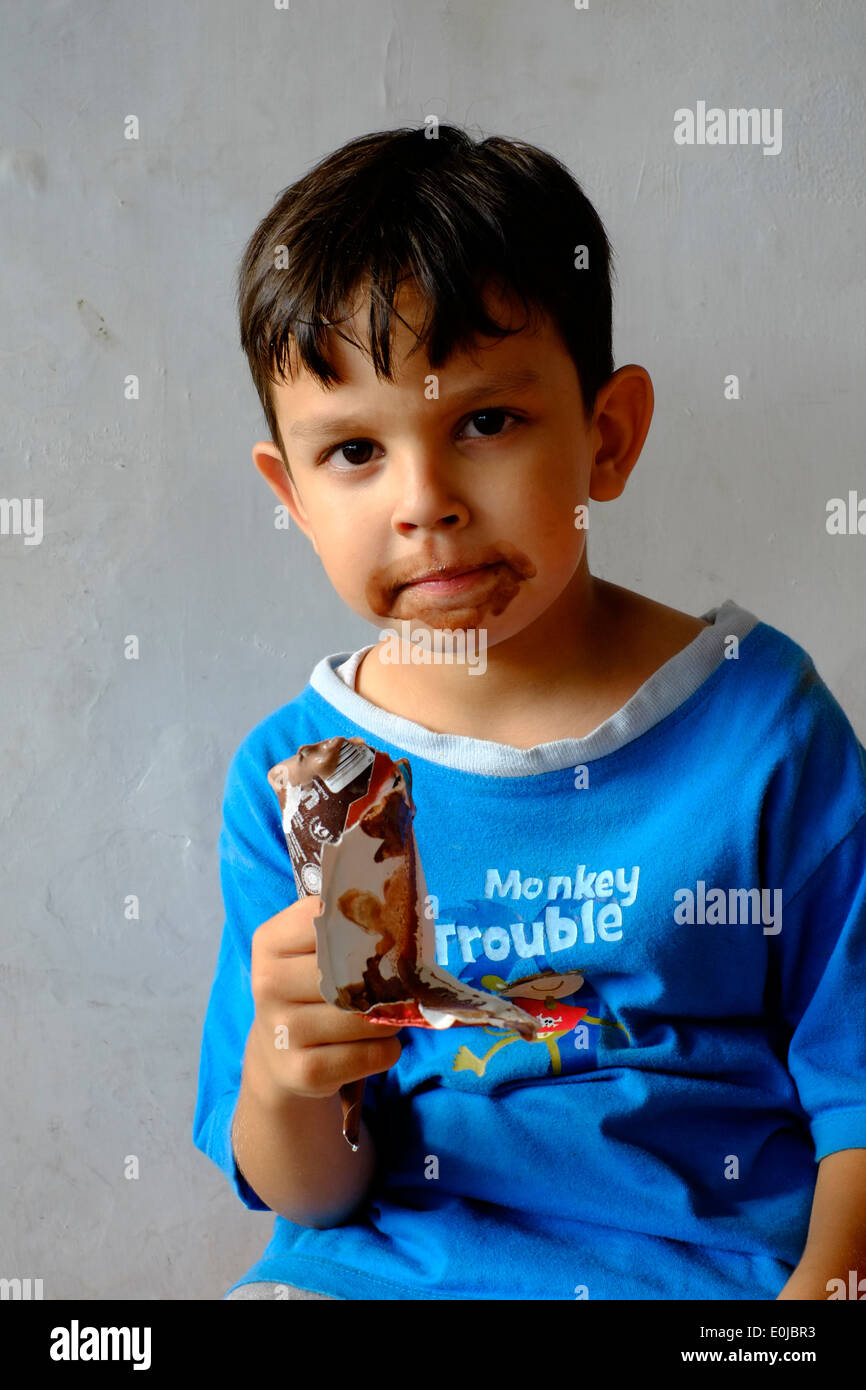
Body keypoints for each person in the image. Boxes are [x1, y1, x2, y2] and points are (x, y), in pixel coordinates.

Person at [193, 124, 866, 1301]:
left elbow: (856, 1091)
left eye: (485, 424)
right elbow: (313, 1193)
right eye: (354, 449)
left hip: (705, 1281)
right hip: (380, 1273)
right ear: (289, 495)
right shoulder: (296, 777)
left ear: (604, 436)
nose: (426, 504)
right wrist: (286, 1078)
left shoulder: (763, 728)